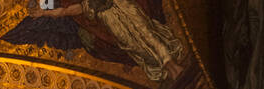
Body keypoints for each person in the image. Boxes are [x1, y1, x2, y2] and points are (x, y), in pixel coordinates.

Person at [35, 1, 184, 83]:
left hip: (123, 5)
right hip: (111, 21)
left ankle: (172, 65)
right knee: (135, 47)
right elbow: (64, 11)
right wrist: (44, 12)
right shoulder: (84, 3)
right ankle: (167, 66)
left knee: (147, 34)